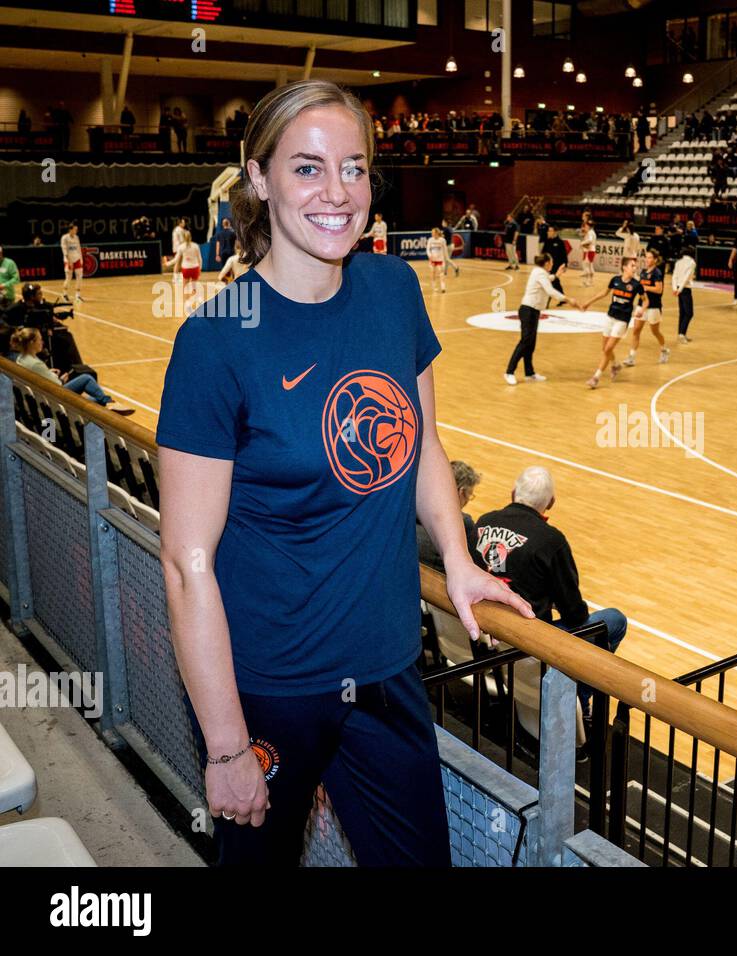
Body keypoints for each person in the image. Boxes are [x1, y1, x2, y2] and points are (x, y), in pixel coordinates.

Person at [155, 79, 531, 868]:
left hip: (389, 669)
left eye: (354, 168)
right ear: (258, 178)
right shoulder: (216, 340)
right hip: (268, 693)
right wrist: (226, 749)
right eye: (307, 168)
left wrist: (457, 558)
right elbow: (188, 565)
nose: (337, 193)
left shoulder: (392, 289)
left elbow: (424, 440)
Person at [473, 466, 627, 718]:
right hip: (530, 645)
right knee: (614, 620)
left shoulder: (484, 521)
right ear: (551, 503)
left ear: (513, 493)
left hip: (486, 634)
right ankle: (582, 700)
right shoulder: (551, 540)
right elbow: (575, 614)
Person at [11, 327, 133, 416]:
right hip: (53, 401)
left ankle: (108, 403)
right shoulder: (36, 364)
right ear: (32, 343)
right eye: (40, 339)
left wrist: (49, 373)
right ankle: (110, 402)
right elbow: (57, 385)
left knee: (95, 401)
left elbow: (41, 375)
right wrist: (60, 378)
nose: (42, 342)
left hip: (40, 398)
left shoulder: (21, 358)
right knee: (86, 378)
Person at [508, 253, 576, 385]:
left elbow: (548, 279)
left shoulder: (540, 272)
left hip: (533, 311)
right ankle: (509, 372)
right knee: (524, 343)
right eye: (551, 262)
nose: (552, 264)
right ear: (546, 264)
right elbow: (550, 291)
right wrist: (568, 299)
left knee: (530, 344)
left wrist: (557, 275)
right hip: (528, 311)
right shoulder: (539, 273)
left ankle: (529, 373)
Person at [582, 256, 643, 389]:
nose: (634, 268)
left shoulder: (636, 285)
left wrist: (641, 310)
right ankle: (615, 365)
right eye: (632, 266)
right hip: (610, 317)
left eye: (635, 266)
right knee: (605, 348)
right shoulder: (614, 280)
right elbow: (604, 293)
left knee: (608, 348)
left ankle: (596, 377)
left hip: (622, 320)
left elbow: (646, 300)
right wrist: (588, 302)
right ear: (624, 267)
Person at [416, 460, 479, 571]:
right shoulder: (464, 523)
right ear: (461, 492)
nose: (468, 500)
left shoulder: (416, 507)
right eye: (469, 494)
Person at [624, 249, 669, 367]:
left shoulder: (657, 273)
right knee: (636, 330)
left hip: (654, 306)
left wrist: (646, 287)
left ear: (655, 260)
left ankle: (664, 350)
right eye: (646, 257)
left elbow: (659, 290)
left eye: (649, 258)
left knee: (655, 331)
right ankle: (631, 357)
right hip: (642, 304)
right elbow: (640, 288)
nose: (647, 260)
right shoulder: (643, 272)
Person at [672, 244, 696, 344]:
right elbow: (686, 277)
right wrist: (680, 289)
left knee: (682, 312)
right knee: (689, 313)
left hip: (678, 288)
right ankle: (682, 334)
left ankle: (681, 333)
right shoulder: (692, 262)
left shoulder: (678, 262)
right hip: (685, 289)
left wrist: (675, 288)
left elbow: (674, 276)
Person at [169, 228, 203, 298]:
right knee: (194, 288)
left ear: (183, 238)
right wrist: (200, 269)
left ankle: (187, 303)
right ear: (191, 237)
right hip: (195, 268)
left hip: (186, 269)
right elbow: (200, 259)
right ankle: (195, 303)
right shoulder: (196, 246)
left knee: (185, 288)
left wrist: (168, 263)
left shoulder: (181, 247)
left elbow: (176, 260)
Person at [540, 226, 569, 306]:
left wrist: (565, 265)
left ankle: (546, 303)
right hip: (548, 266)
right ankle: (563, 299)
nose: (548, 232)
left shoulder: (560, 242)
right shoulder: (547, 241)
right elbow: (543, 253)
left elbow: (564, 255)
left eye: (550, 231)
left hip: (557, 266)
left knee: (551, 283)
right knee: (556, 283)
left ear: (555, 232)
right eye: (548, 231)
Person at [60, 224, 84, 303]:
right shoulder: (64, 238)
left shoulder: (76, 237)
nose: (76, 231)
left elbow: (78, 248)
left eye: (76, 230)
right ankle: (65, 295)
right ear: (70, 230)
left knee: (79, 276)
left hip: (76, 258)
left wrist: (81, 259)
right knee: (68, 277)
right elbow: (64, 250)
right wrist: (69, 261)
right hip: (68, 260)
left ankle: (77, 295)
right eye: (75, 229)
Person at [426, 227, 449, 293]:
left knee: (441, 273)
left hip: (440, 260)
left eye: (433, 233)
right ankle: (434, 287)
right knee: (433, 273)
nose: (432, 234)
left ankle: (443, 287)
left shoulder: (442, 240)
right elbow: (428, 249)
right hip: (433, 259)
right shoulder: (430, 240)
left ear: (437, 233)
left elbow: (445, 250)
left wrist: (446, 258)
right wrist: (430, 255)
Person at [578, 220, 597, 287]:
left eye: (586, 225)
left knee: (587, 266)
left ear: (589, 226)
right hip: (591, 250)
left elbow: (590, 240)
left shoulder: (590, 232)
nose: (585, 227)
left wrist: (582, 243)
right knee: (590, 266)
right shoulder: (592, 232)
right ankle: (590, 282)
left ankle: (588, 282)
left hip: (589, 250)